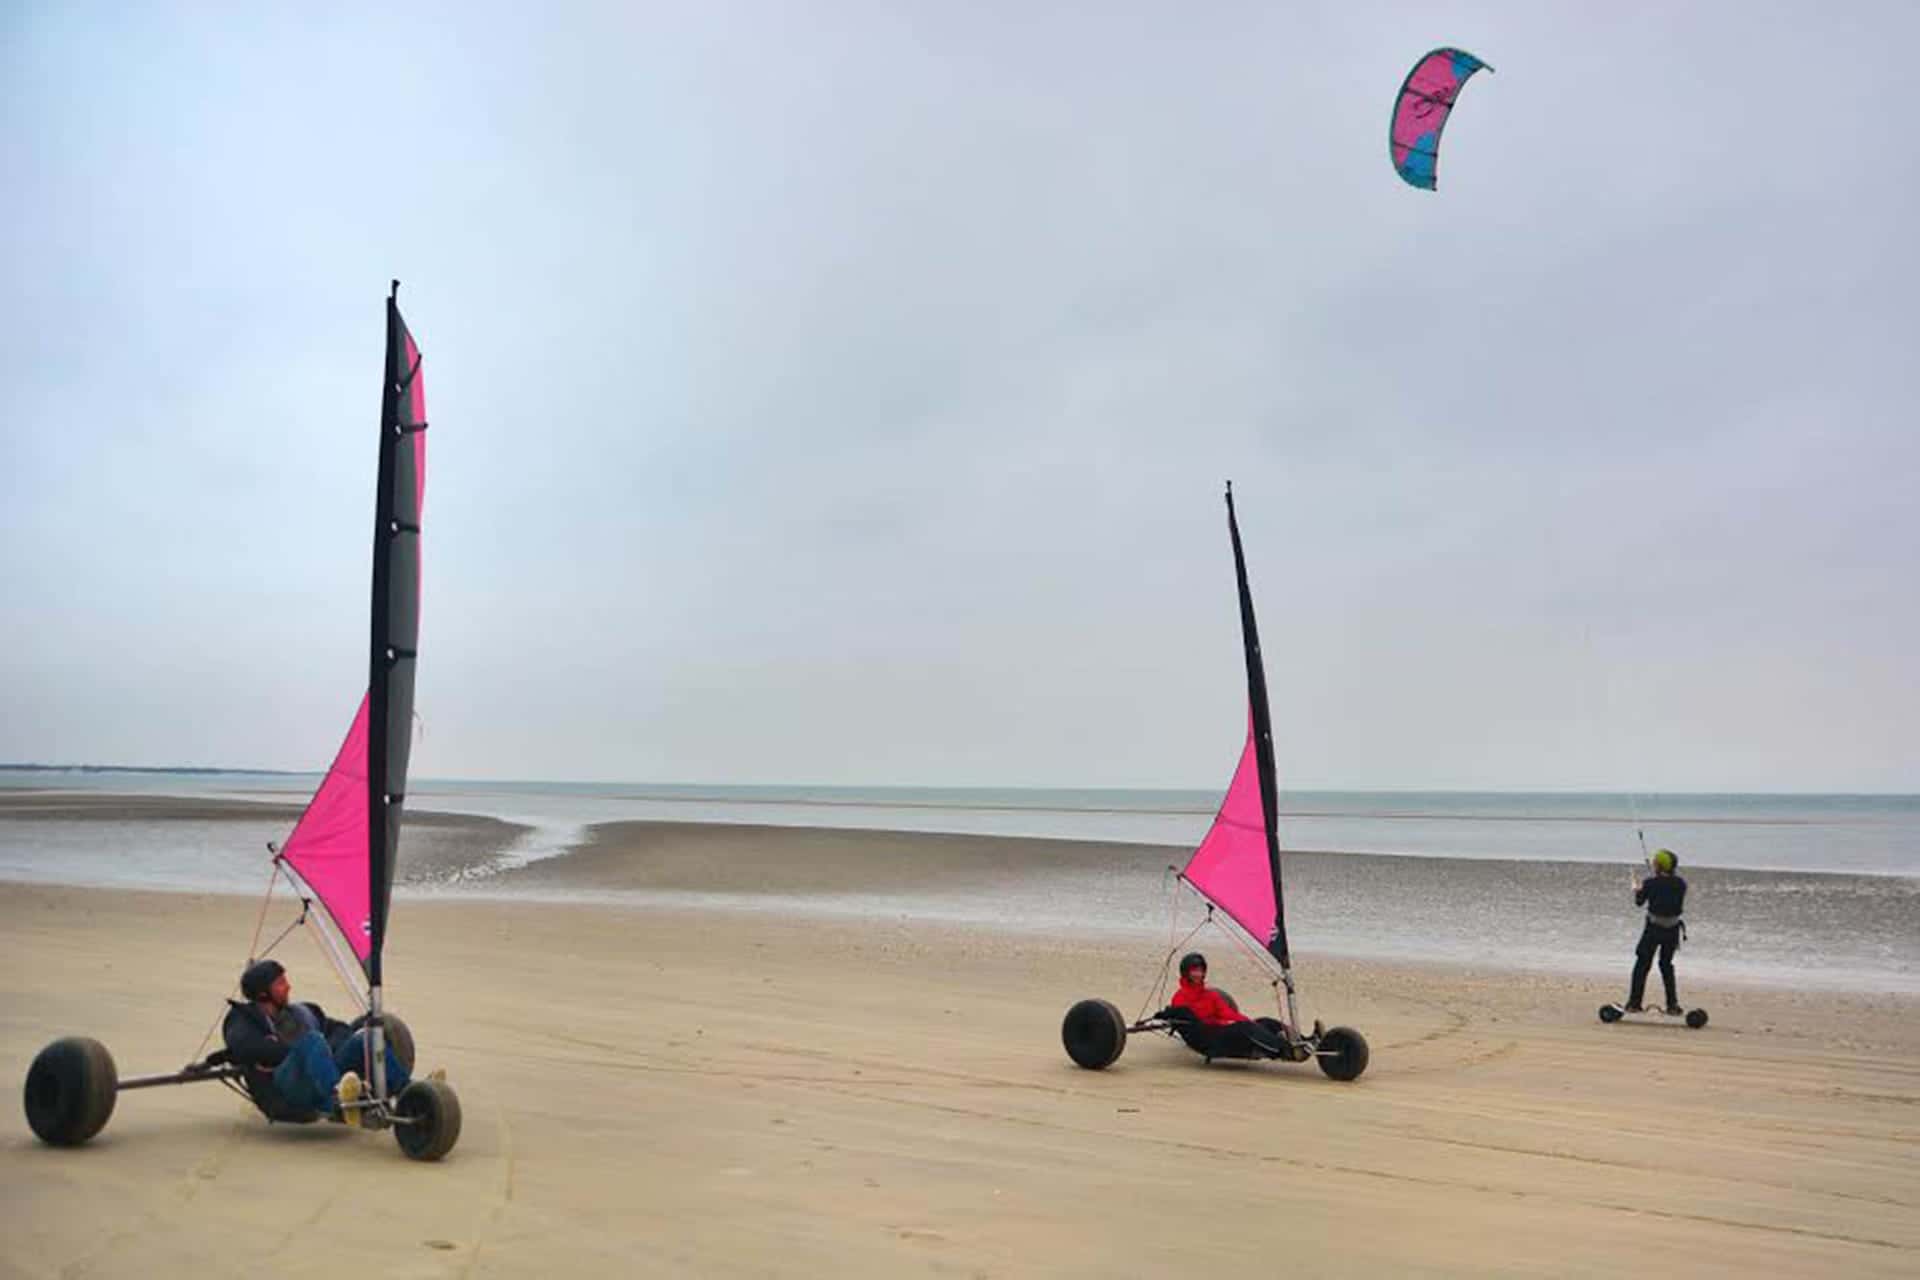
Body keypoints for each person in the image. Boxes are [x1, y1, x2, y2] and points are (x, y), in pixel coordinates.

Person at [221, 959, 410, 1125]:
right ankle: (339, 1100)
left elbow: (337, 1029)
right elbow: (243, 1048)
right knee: (311, 1040)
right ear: (263, 994)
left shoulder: (300, 1013)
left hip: (320, 1075)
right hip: (285, 1088)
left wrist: (327, 1049)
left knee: (364, 1037)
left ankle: (408, 1092)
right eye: (280, 983)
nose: (288, 987)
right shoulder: (242, 1019)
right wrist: (297, 1049)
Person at [1155, 952, 1294, 1060]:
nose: (1199, 974)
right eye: (1194, 971)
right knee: (1247, 1029)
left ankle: (1304, 1041)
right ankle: (1286, 1051)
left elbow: (1227, 1013)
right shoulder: (1180, 997)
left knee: (1265, 1022)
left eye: (1201, 971)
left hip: (1220, 1030)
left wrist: (1248, 1021)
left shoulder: (1210, 995)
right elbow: (1188, 1024)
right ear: (1186, 973)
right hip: (1207, 1041)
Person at [1626, 848, 1688, 1014]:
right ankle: (1672, 1005)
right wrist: (1648, 885)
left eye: (1655, 862)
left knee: (1642, 964)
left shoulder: (1650, 883)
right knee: (1666, 965)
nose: (1653, 863)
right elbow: (1666, 895)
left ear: (1659, 865)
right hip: (1672, 930)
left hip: (1653, 929)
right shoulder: (1681, 884)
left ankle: (1634, 1003)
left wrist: (1638, 890)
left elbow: (1640, 902)